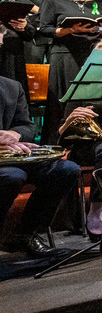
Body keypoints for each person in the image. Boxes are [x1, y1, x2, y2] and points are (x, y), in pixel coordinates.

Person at [0, 75, 80, 258]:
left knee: (66, 169)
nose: (2, 44)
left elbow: (27, 127)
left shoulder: (12, 86)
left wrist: (14, 133)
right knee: (12, 177)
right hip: (7, 167)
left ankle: (25, 234)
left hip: (11, 156)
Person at [37, 0, 102, 143]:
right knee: (64, 98)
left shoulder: (98, 3)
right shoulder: (53, 1)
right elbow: (43, 29)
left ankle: (91, 141)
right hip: (64, 54)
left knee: (93, 97)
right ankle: (58, 142)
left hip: (93, 53)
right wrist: (69, 30)